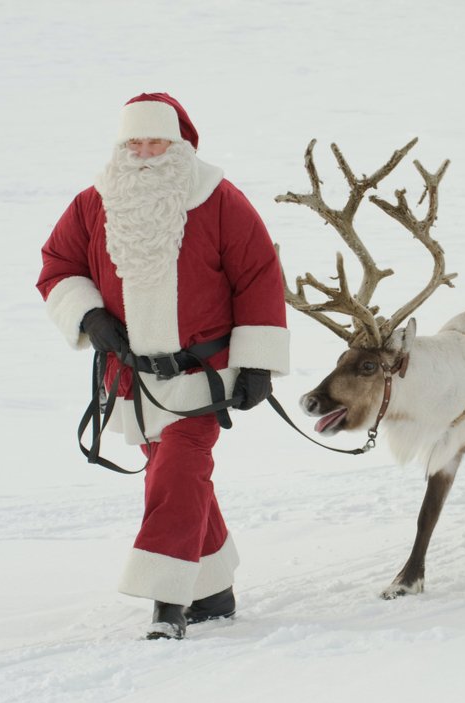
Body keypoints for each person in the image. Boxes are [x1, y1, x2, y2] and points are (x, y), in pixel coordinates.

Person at [37, 93, 289, 640]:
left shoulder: (218, 199)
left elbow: (259, 276)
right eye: (136, 141)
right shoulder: (92, 202)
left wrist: (258, 365)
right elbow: (57, 266)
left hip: (204, 372)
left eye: (157, 141)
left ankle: (167, 603)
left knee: (177, 470)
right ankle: (214, 591)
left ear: (179, 144)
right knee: (178, 477)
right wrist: (91, 318)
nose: (146, 152)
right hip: (132, 377)